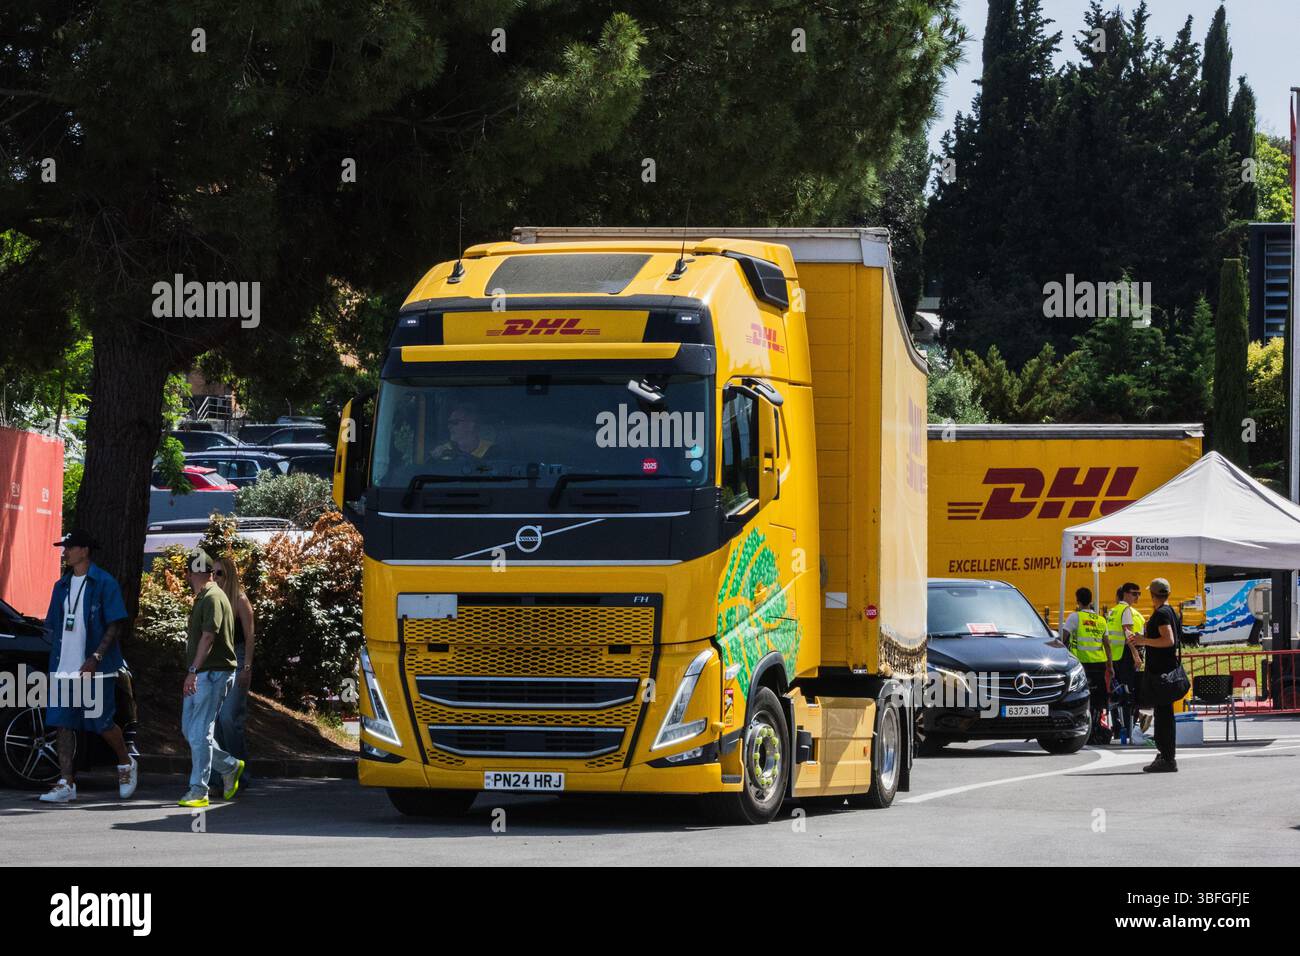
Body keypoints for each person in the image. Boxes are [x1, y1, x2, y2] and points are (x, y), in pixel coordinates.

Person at [38, 530, 138, 803]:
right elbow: (55, 624)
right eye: (64, 547)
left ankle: (125, 762)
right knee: (61, 723)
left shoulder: (104, 582)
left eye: (69, 547)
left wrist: (96, 656)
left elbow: (115, 623)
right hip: (63, 666)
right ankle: (66, 782)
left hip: (96, 667)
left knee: (102, 723)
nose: (65, 551)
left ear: (84, 551)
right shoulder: (61, 586)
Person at [179, 548, 245, 808]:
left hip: (212, 672)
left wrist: (192, 670)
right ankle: (229, 766)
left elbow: (209, 636)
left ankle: (198, 790)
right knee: (190, 730)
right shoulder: (205, 596)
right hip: (204, 672)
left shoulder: (213, 597)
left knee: (199, 732)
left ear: (189, 574)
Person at [1131, 577, 1181, 773]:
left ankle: (1168, 758)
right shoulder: (1170, 612)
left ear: (1153, 595)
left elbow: (1168, 640)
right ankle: (1165, 755)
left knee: (1164, 716)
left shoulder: (1161, 614)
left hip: (1161, 673)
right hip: (1165, 671)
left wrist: (1143, 640)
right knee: (1162, 714)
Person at [214, 555, 255, 761]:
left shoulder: (240, 600)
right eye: (212, 573)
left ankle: (241, 769)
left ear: (229, 574)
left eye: (219, 573)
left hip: (238, 659)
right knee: (215, 721)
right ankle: (225, 772)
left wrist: (246, 668)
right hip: (217, 661)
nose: (215, 577)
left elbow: (249, 637)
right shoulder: (213, 599)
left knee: (229, 718)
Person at [1062, 586, 1111, 744]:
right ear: (1091, 601)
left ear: (1077, 600)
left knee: (1080, 698)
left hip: (1081, 665)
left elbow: (1064, 637)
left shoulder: (1075, 617)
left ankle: (1084, 730)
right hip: (1099, 664)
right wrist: (1110, 666)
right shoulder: (1101, 620)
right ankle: (1095, 728)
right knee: (1098, 700)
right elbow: (1107, 644)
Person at [1107, 583, 1146, 744]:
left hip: (1115, 656)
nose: (1137, 597)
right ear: (1125, 594)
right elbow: (1128, 634)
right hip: (1125, 656)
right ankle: (1128, 730)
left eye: (1139, 594)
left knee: (1118, 694)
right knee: (1129, 694)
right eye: (1134, 593)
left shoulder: (1113, 611)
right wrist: (1136, 655)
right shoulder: (1126, 611)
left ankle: (1119, 729)